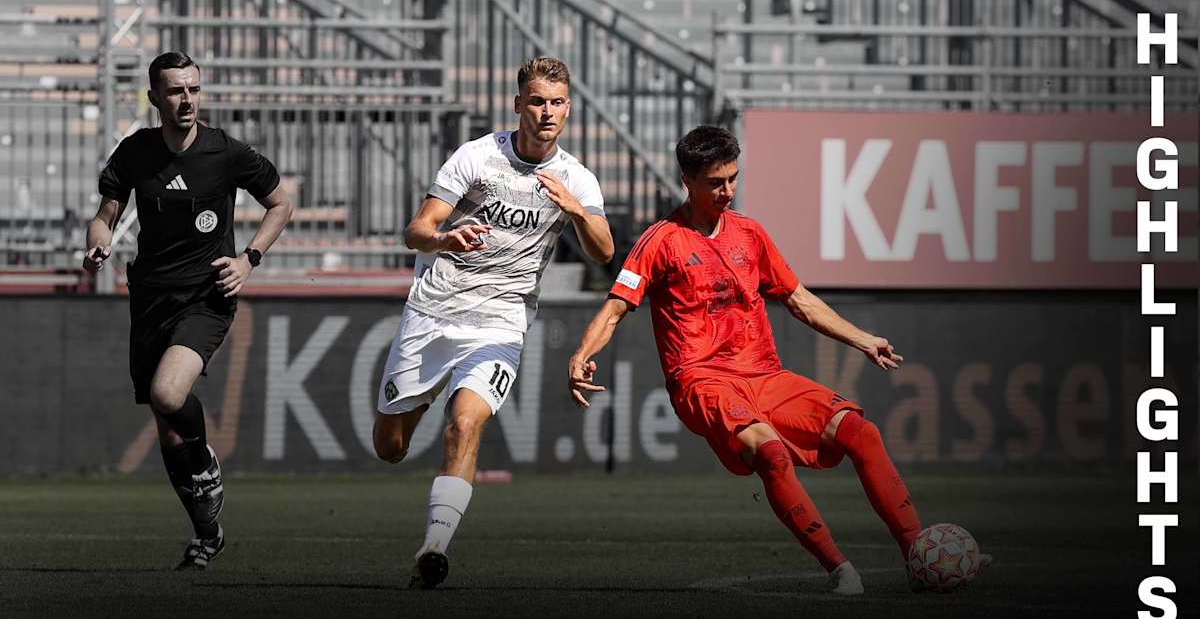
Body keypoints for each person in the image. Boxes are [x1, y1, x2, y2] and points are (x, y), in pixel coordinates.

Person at [567, 125, 985, 594]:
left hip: (765, 374)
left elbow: (799, 300)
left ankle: (918, 554)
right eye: (715, 182)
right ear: (687, 180)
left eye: (733, 178)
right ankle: (840, 569)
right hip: (702, 380)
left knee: (861, 433)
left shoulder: (750, 234)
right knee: (771, 453)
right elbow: (615, 308)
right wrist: (582, 354)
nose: (728, 191)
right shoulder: (661, 241)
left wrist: (863, 339)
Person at [373, 57, 613, 588]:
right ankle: (418, 403)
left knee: (465, 424)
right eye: (537, 101)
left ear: (568, 109)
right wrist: (444, 239)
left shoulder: (576, 178)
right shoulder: (477, 156)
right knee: (390, 447)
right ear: (518, 104)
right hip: (434, 311)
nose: (546, 112)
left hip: (501, 322)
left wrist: (576, 209)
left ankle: (434, 546)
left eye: (556, 103)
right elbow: (416, 231)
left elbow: (604, 251)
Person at [83, 51, 293, 570]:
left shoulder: (225, 151)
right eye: (176, 91)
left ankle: (206, 461)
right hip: (151, 299)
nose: (187, 100)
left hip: (206, 296)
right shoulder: (135, 152)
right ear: (154, 97)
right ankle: (207, 534)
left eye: (193, 89)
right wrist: (98, 241)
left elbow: (280, 203)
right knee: (169, 428)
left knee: (167, 393)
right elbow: (105, 215)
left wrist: (249, 259)